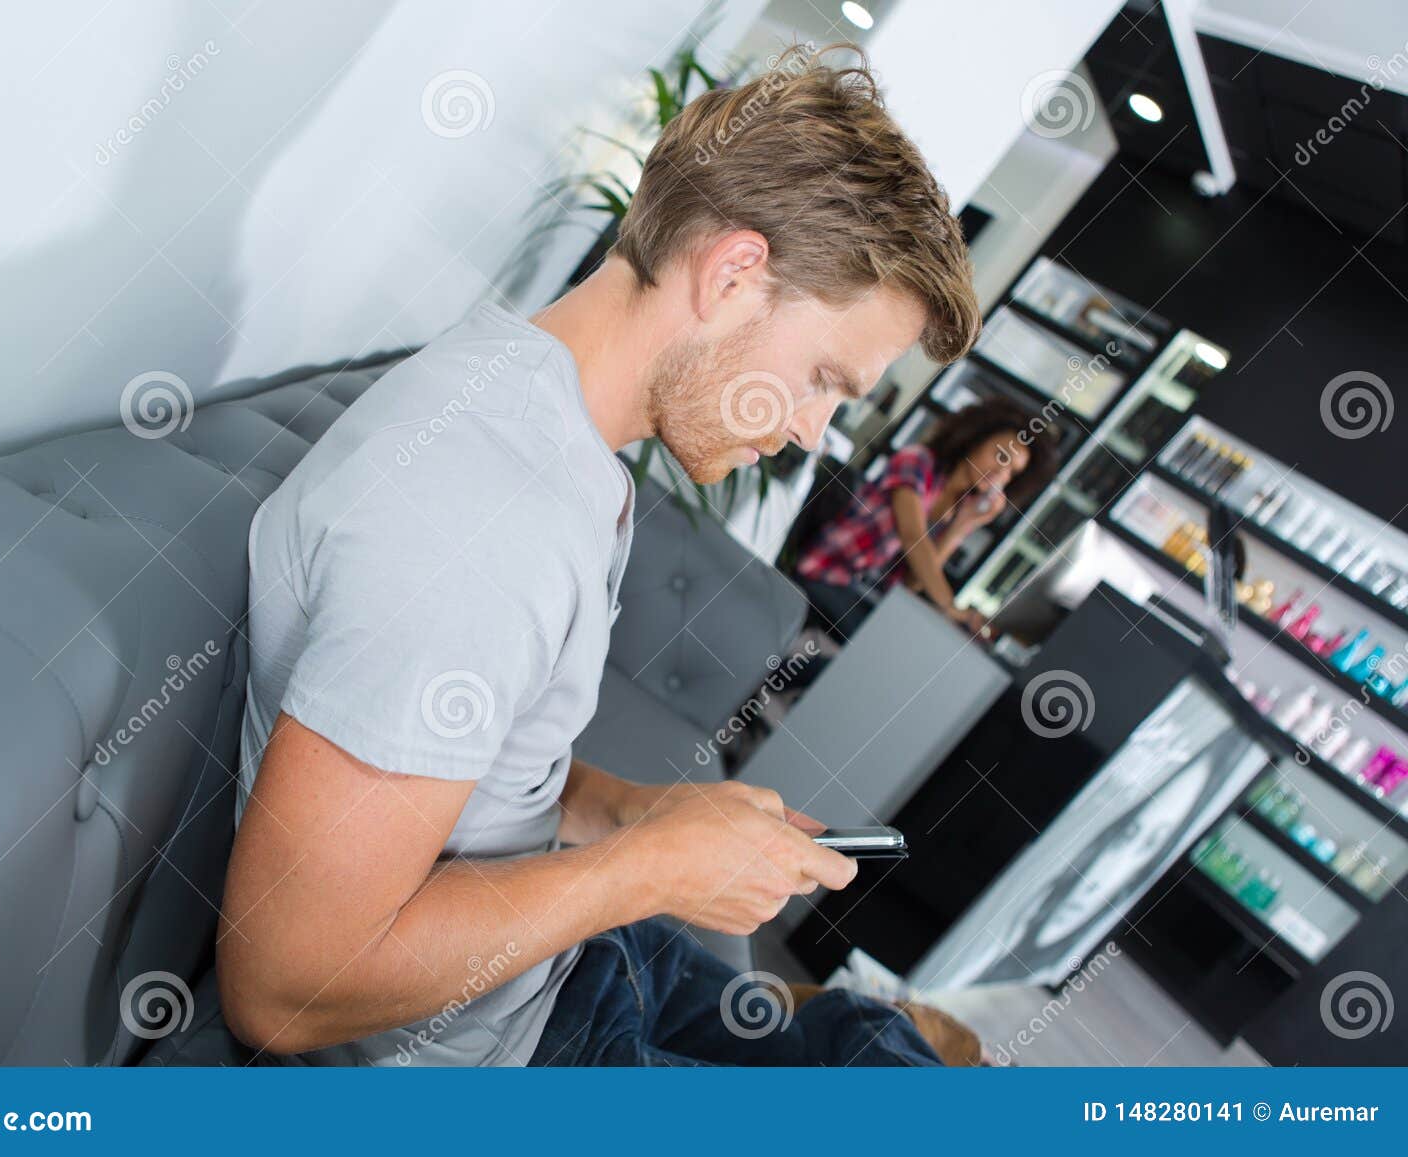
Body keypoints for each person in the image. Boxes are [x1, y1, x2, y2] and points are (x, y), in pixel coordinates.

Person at [217, 43, 980, 1068]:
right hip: (504, 1055)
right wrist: (650, 867)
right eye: (822, 378)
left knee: (882, 1049)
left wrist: (636, 811)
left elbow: (466, 755)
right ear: (733, 275)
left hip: (556, 971)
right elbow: (283, 987)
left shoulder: (540, 418)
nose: (810, 429)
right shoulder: (485, 518)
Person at [794, 398, 1059, 641]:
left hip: (864, 596)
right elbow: (913, 537)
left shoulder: (959, 510)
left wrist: (963, 526)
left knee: (888, 644)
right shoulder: (919, 462)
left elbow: (911, 583)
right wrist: (949, 607)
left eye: (1012, 472)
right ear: (977, 439)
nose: (1001, 473)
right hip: (829, 574)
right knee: (874, 645)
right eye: (1001, 456)